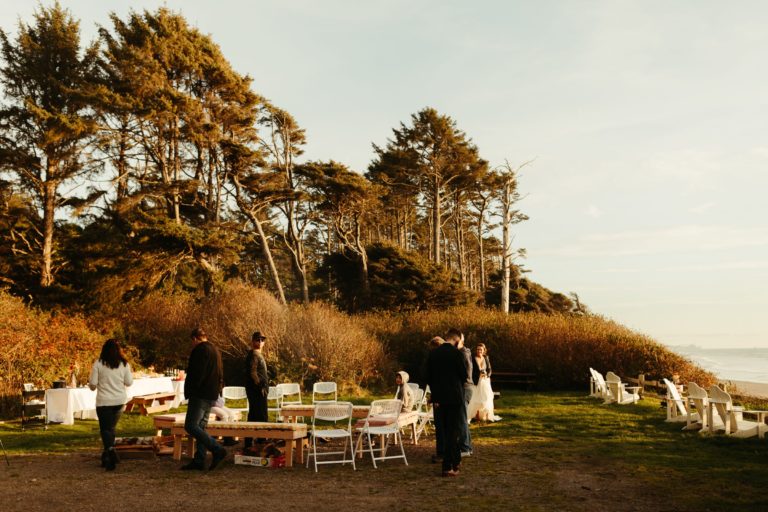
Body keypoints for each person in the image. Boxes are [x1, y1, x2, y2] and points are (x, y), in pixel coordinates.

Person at [182, 327, 227, 471]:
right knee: (201, 427)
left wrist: (192, 390)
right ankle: (199, 460)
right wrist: (218, 391)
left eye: (192, 341)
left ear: (195, 338)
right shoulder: (215, 350)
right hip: (211, 394)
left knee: (191, 425)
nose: (192, 344)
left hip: (200, 394)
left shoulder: (200, 350)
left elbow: (197, 373)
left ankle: (217, 449)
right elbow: (220, 372)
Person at [88, 339, 133, 471]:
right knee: (111, 429)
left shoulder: (98, 364)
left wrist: (92, 384)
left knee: (105, 429)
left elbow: (92, 385)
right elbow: (129, 382)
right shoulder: (124, 364)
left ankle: (110, 451)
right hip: (119, 401)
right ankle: (107, 455)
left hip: (104, 402)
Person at [426, 328, 466, 477]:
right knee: (452, 431)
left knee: (445, 430)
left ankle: (456, 460)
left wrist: (435, 396)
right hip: (454, 397)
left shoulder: (433, 353)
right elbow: (464, 375)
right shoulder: (457, 354)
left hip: (439, 398)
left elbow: (428, 376)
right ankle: (448, 466)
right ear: (456, 340)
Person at [244, 330, 269, 452]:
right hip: (256, 390)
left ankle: (254, 441)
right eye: (257, 339)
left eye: (262, 340)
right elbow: (252, 372)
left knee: (256, 415)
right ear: (252, 341)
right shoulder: (254, 354)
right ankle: (259, 441)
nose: (260, 342)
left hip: (258, 390)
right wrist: (260, 385)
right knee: (259, 415)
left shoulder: (258, 354)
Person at [468, 343, 501, 422]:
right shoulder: (473, 358)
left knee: (486, 398)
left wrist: (487, 375)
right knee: (475, 399)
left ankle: (485, 415)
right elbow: (470, 370)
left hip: (485, 382)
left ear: (484, 351)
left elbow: (489, 369)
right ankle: (475, 415)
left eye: (480, 349)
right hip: (476, 382)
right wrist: (478, 375)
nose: (479, 351)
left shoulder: (486, 358)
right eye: (477, 349)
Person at [456, 331, 474, 456]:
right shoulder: (464, 353)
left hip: (465, 388)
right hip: (466, 388)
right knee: (462, 418)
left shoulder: (463, 354)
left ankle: (465, 448)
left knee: (461, 419)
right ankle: (467, 446)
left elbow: (466, 374)